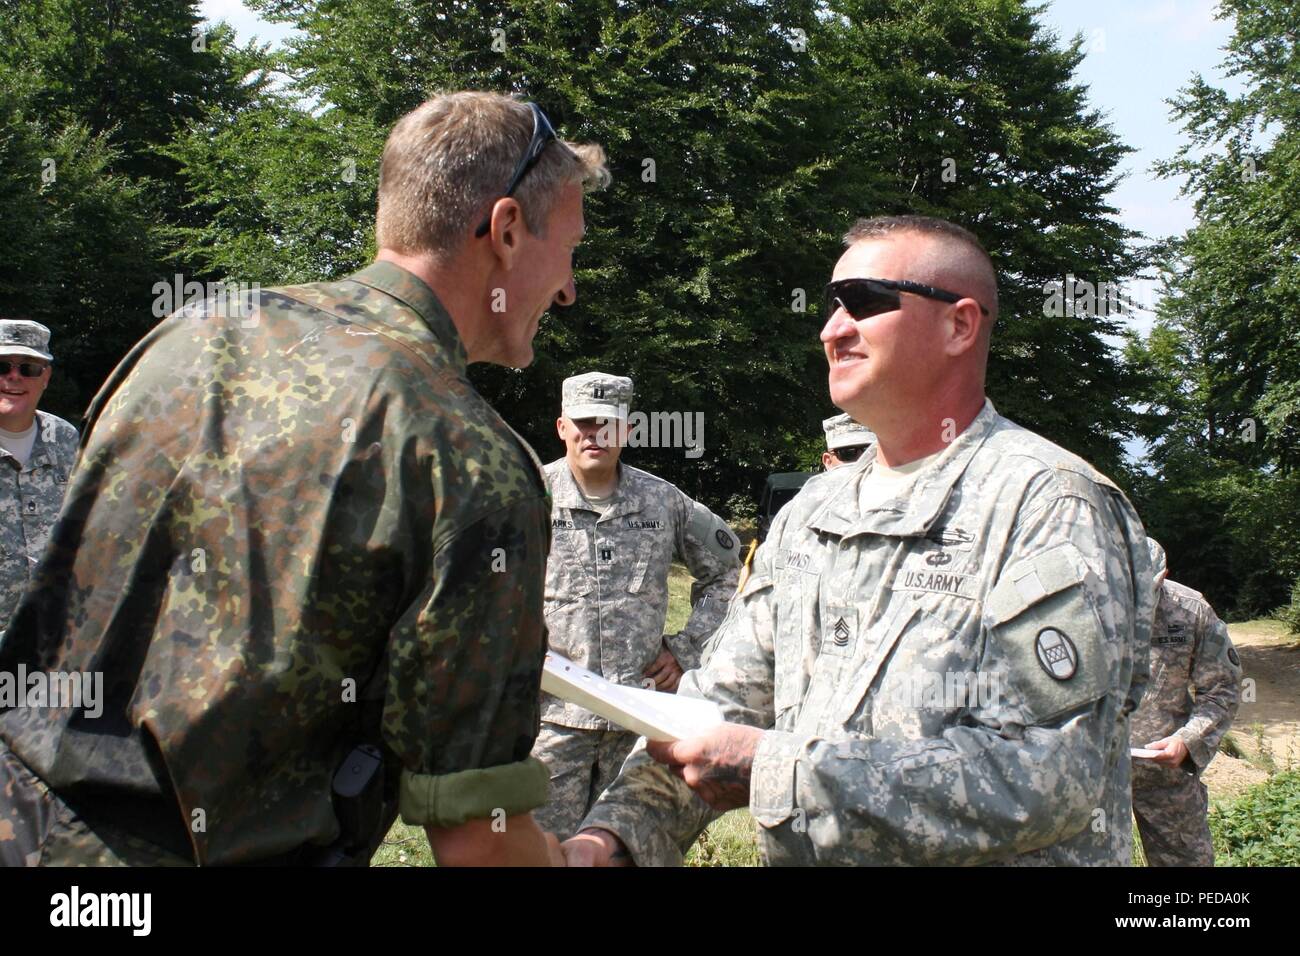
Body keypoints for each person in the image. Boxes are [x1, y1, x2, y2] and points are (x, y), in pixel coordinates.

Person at [0, 92, 609, 866]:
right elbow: (478, 841)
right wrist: (580, 855)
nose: (569, 290)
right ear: (507, 231)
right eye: (573, 250)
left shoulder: (194, 332)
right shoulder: (468, 456)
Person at [564, 214, 1153, 866]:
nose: (833, 328)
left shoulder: (1048, 503)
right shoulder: (810, 513)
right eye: (831, 305)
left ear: (959, 325)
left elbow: (1053, 775)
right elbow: (718, 709)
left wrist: (781, 772)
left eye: (867, 302)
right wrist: (609, 840)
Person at [533, 371, 741, 840]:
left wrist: (688, 648)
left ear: (627, 430)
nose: (595, 435)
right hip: (549, 718)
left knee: (628, 847)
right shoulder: (530, 496)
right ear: (562, 427)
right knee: (539, 850)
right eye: (584, 423)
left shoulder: (662, 500)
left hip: (639, 715)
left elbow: (730, 571)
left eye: (608, 424)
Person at [1132, 539, 1241, 866]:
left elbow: (1222, 688)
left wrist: (1188, 739)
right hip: (1095, 776)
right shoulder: (1080, 610)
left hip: (1166, 776)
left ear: (1163, 576)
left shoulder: (1190, 610)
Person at [0, 320, 79, 632]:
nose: (13, 377)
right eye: (2, 366)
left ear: (45, 377)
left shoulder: (64, 439)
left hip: (56, 639)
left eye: (28, 368)